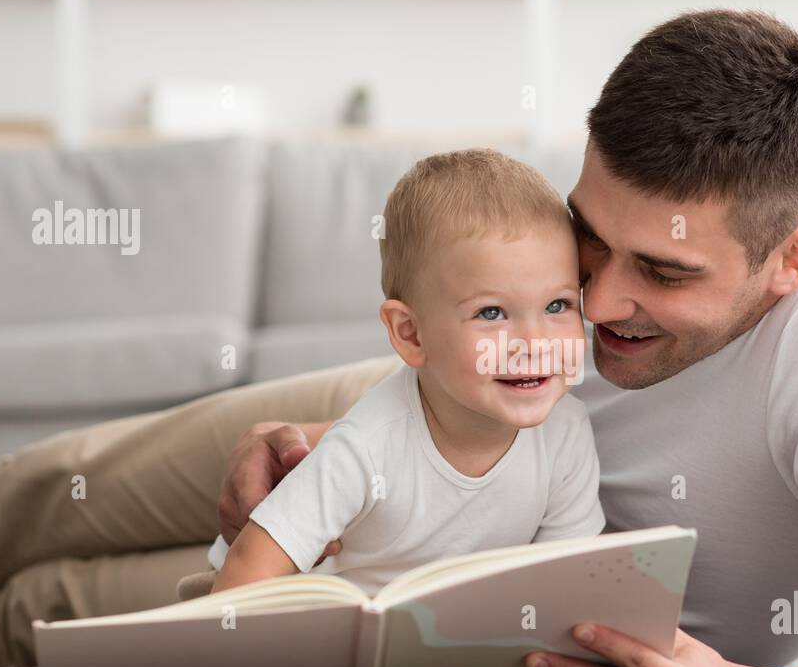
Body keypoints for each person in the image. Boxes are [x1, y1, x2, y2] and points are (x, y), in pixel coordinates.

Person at [0, 9, 798, 667]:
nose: (601, 302)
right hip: (405, 418)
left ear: (792, 261)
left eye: (662, 272)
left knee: (50, 610)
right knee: (45, 487)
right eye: (590, 235)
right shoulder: (572, 297)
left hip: (456, 583)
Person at [204, 148, 604, 596]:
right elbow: (241, 585)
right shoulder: (364, 446)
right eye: (491, 313)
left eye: (557, 305)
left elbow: (562, 586)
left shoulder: (567, 434)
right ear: (411, 335)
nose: (535, 343)